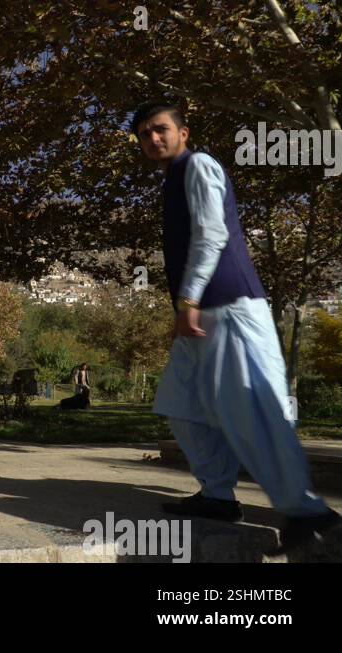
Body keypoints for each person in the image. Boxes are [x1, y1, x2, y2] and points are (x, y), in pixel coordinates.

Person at [132, 102, 339, 554]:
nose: (152, 139)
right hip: (199, 316)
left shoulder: (200, 165)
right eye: (144, 134)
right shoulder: (172, 180)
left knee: (252, 412)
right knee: (180, 403)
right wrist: (185, 310)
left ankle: (309, 514)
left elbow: (212, 234)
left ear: (183, 132)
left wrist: (187, 299)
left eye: (160, 129)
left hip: (231, 308)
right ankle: (218, 497)